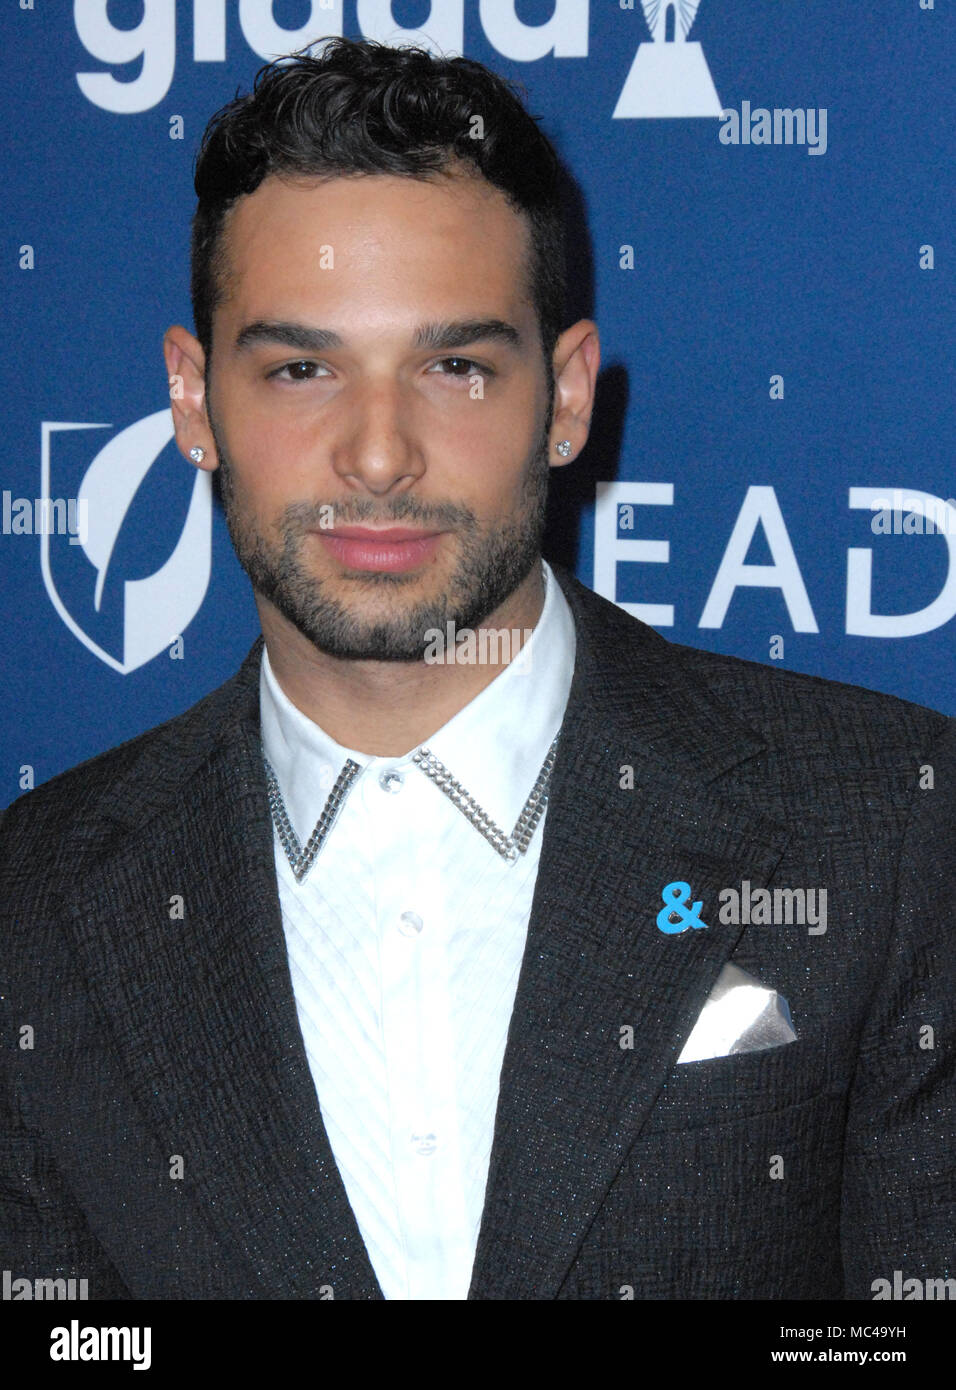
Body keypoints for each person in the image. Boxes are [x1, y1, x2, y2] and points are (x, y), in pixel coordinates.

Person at [1, 36, 953, 1302]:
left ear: (563, 395)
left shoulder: (889, 826)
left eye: (453, 366)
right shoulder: (39, 904)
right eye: (300, 367)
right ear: (192, 397)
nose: (379, 454)